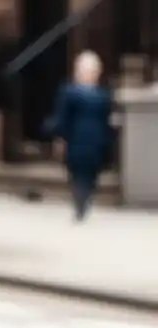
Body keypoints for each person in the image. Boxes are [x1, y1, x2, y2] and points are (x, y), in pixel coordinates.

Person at [48, 51, 116, 222]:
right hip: (78, 139)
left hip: (93, 140)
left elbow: (106, 119)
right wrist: (60, 137)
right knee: (79, 172)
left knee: (89, 172)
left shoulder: (102, 95)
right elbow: (63, 117)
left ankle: (83, 201)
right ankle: (81, 202)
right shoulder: (72, 92)